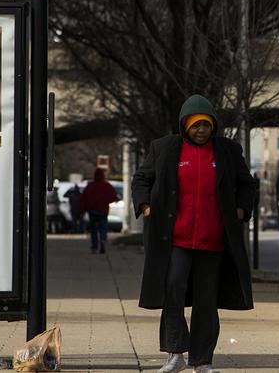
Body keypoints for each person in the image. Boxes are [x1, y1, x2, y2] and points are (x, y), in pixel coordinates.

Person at [132, 95, 257, 373]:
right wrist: (145, 206)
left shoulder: (227, 151)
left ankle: (202, 360)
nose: (202, 130)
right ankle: (175, 353)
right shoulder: (164, 148)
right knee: (173, 290)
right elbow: (142, 178)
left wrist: (241, 210)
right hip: (175, 238)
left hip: (213, 239)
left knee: (206, 300)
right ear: (185, 125)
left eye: (206, 125)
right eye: (196, 125)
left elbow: (247, 184)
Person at [81, 168, 118, 252]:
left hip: (92, 210)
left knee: (94, 229)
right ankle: (103, 240)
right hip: (103, 210)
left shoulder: (90, 186)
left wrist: (83, 210)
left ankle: (94, 246)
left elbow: (84, 198)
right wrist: (107, 201)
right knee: (103, 227)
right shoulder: (106, 186)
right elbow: (113, 196)